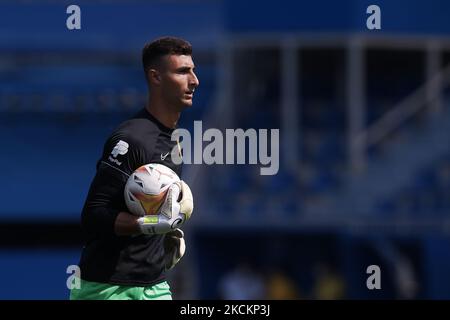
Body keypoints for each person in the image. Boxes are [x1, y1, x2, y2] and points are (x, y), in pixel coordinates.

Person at [70, 37, 199, 300]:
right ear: (156, 77)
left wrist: (166, 234)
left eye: (193, 70)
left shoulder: (174, 140)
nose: (194, 80)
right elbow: (93, 215)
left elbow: (147, 206)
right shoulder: (131, 139)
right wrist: (153, 225)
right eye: (182, 71)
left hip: (155, 285)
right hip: (107, 288)